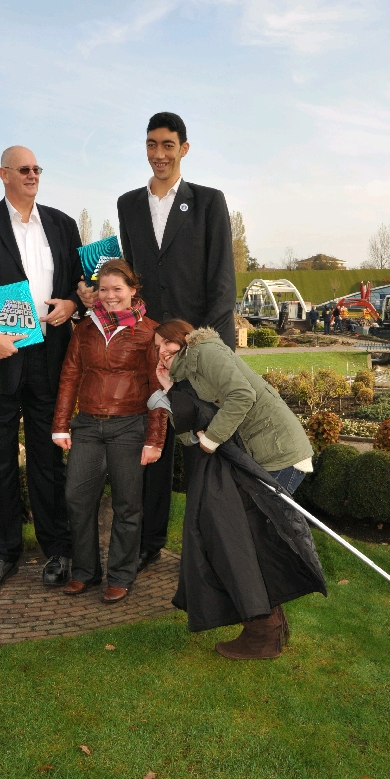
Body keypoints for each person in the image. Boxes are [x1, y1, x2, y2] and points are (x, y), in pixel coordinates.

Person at [79, 112, 237, 572]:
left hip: (201, 349)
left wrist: (195, 346)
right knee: (152, 447)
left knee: (207, 449)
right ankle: (148, 544)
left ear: (184, 149)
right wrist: (97, 293)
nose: (159, 153)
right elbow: (131, 278)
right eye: (151, 144)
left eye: (168, 144)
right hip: (149, 350)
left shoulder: (208, 202)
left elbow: (222, 284)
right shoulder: (129, 204)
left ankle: (211, 547)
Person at [0, 145, 85, 590]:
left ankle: (58, 552)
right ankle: (3, 552)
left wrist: (71, 303)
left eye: (37, 169)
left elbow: (82, 287)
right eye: (23, 169)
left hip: (49, 358)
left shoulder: (63, 225)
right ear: (3, 174)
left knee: (49, 461)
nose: (32, 175)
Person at [149, 320, 324, 660]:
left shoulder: (206, 352)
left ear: (184, 339)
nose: (162, 353)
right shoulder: (189, 374)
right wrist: (170, 389)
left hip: (277, 455)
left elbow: (241, 395)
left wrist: (212, 440)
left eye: (166, 345)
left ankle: (264, 634)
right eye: (156, 349)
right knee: (256, 541)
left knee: (256, 546)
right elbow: (188, 434)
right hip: (260, 457)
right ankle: (271, 628)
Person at [52, 261, 167, 603]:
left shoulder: (150, 332)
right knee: (76, 499)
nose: (110, 295)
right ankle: (85, 572)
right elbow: (70, 376)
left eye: (118, 289)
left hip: (130, 427)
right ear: (96, 293)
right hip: (87, 425)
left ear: (133, 290)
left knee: (127, 506)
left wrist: (155, 438)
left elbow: (159, 387)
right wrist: (60, 425)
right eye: (104, 289)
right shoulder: (85, 330)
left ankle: (121, 575)